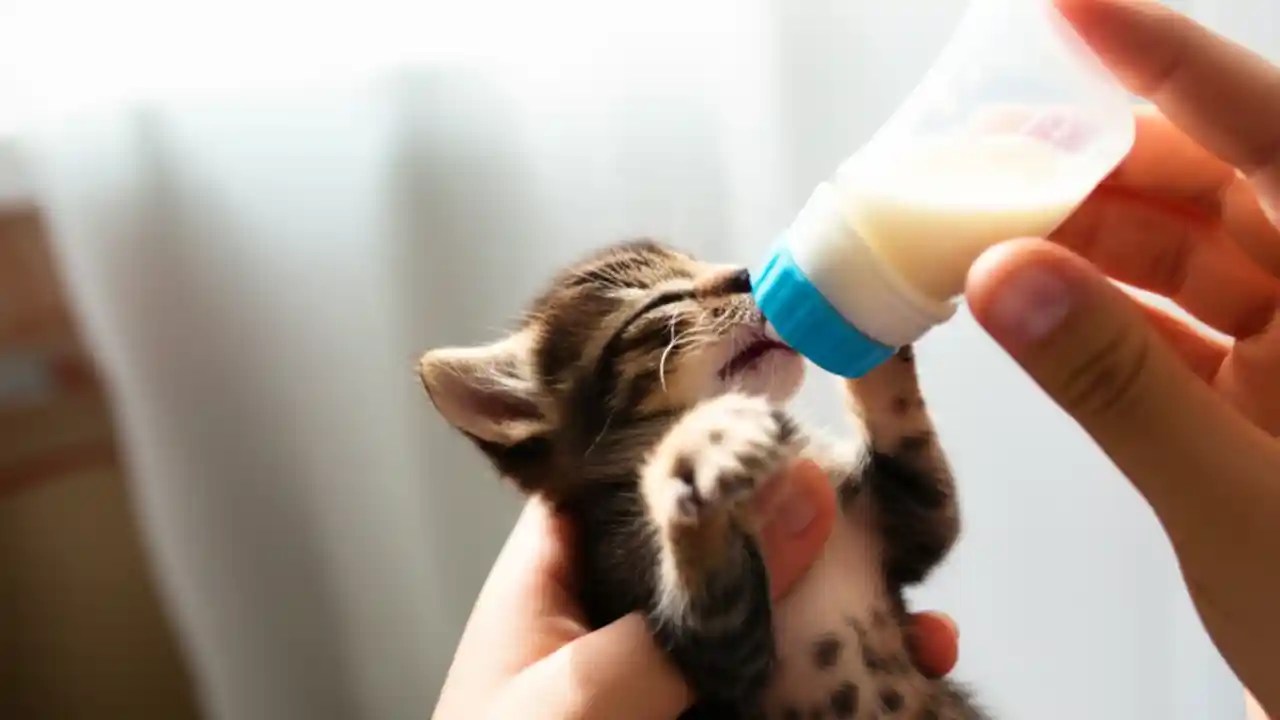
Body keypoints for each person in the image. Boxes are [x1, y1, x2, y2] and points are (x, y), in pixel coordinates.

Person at [432, 0, 1280, 717]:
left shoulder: (794, 462)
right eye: (663, 307)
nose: (727, 278)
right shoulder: (630, 542)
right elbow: (721, 646)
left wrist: (881, 364)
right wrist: (689, 492)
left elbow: (920, 527)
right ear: (529, 417)